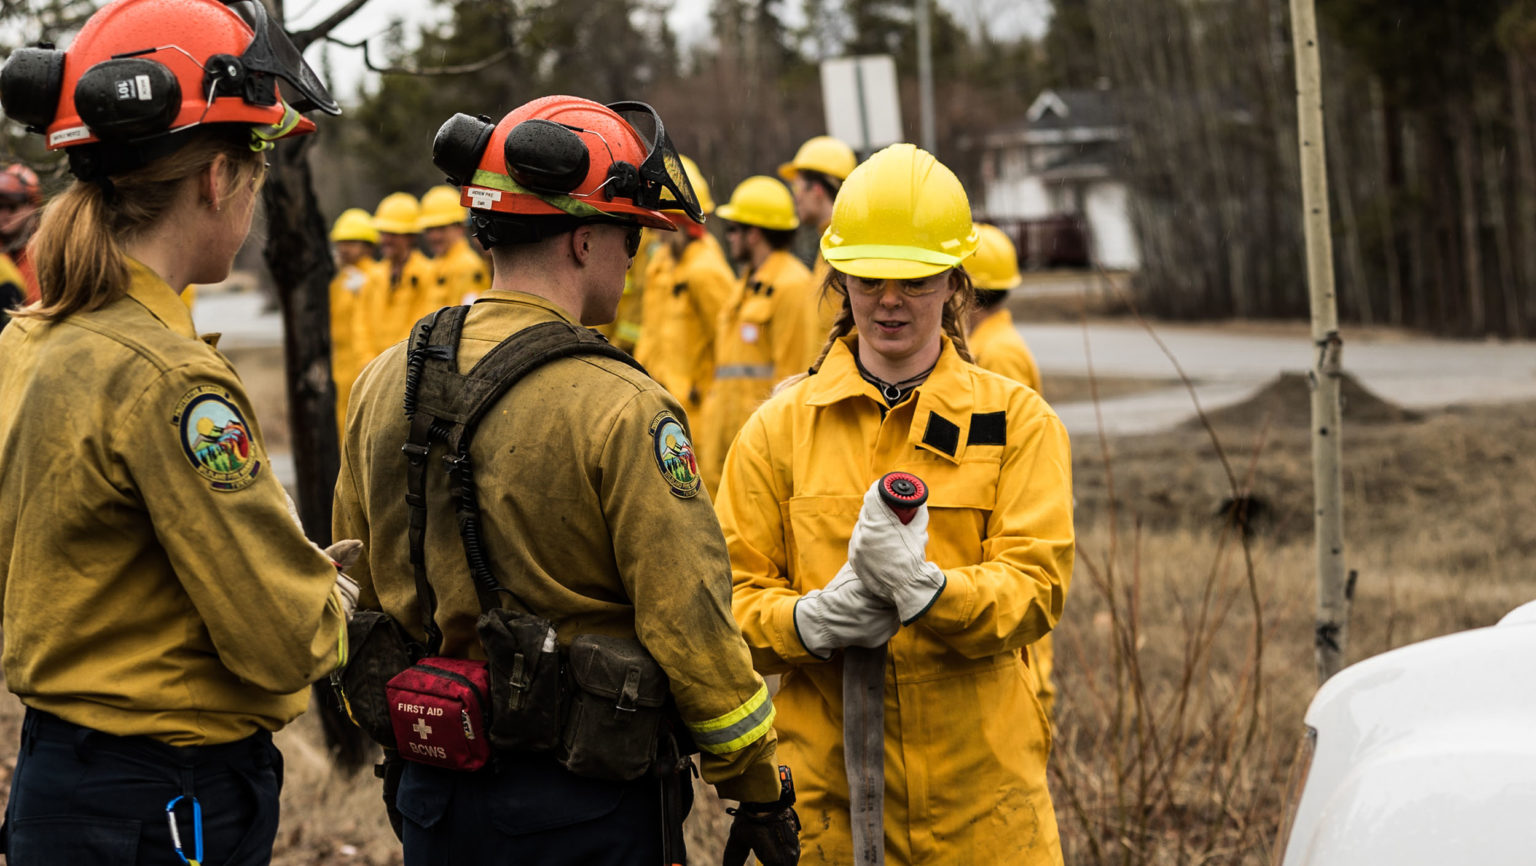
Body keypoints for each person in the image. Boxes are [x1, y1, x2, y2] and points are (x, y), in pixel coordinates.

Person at [334, 95, 798, 866]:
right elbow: (692, 628)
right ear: (585, 241)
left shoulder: (385, 381)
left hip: (429, 792)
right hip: (584, 809)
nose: (632, 261)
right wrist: (756, 786)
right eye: (630, 240)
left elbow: (362, 587)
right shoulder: (625, 406)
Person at [0, 1, 358, 862]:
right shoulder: (172, 380)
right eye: (258, 160)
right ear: (214, 180)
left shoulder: (26, 340)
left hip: (61, 776)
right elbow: (281, 640)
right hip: (165, 802)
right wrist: (329, 597)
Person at [717, 143, 1074, 864]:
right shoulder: (777, 432)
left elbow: (1037, 586)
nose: (889, 299)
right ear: (840, 276)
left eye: (913, 279)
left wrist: (933, 593)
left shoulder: (1018, 422)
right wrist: (807, 621)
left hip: (985, 812)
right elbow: (725, 607)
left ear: (954, 282)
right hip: (828, 814)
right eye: (870, 276)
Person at [961, 222, 1054, 719]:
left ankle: (1033, 707)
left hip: (1005, 520)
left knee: (1028, 659)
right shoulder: (998, 341)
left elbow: (996, 449)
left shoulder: (996, 354)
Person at [699, 175, 818, 493]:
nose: (729, 238)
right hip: (725, 438)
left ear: (754, 233)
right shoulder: (746, 286)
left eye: (733, 229)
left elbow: (793, 374)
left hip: (759, 445)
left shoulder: (792, 285)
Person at [632, 154, 735, 425]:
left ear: (678, 222)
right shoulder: (662, 262)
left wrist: (711, 399)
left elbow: (728, 346)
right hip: (658, 404)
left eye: (660, 220)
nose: (654, 231)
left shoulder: (706, 270)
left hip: (695, 414)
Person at [779, 135, 856, 333]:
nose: (795, 196)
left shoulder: (846, 247)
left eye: (797, 186)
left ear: (817, 189)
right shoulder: (830, 245)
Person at [329, 207, 384, 433]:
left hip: (365, 364)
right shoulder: (339, 280)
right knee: (343, 429)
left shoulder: (377, 276)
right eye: (341, 242)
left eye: (351, 242)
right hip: (340, 366)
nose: (344, 248)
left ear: (368, 246)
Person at [362, 191, 433, 353]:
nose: (386, 240)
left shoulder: (428, 274)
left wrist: (395, 360)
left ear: (410, 236)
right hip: (373, 367)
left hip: (404, 364)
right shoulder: (373, 276)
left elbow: (422, 324)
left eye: (393, 234)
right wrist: (366, 360)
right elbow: (361, 323)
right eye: (383, 233)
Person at [417, 183, 488, 309]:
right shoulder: (435, 266)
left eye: (441, 228)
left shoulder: (468, 267)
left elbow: (467, 321)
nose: (434, 236)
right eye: (430, 229)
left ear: (460, 228)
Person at [0, 163, 42, 326]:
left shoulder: (48, 250)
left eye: (12, 206)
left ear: (31, 205)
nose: (3, 215)